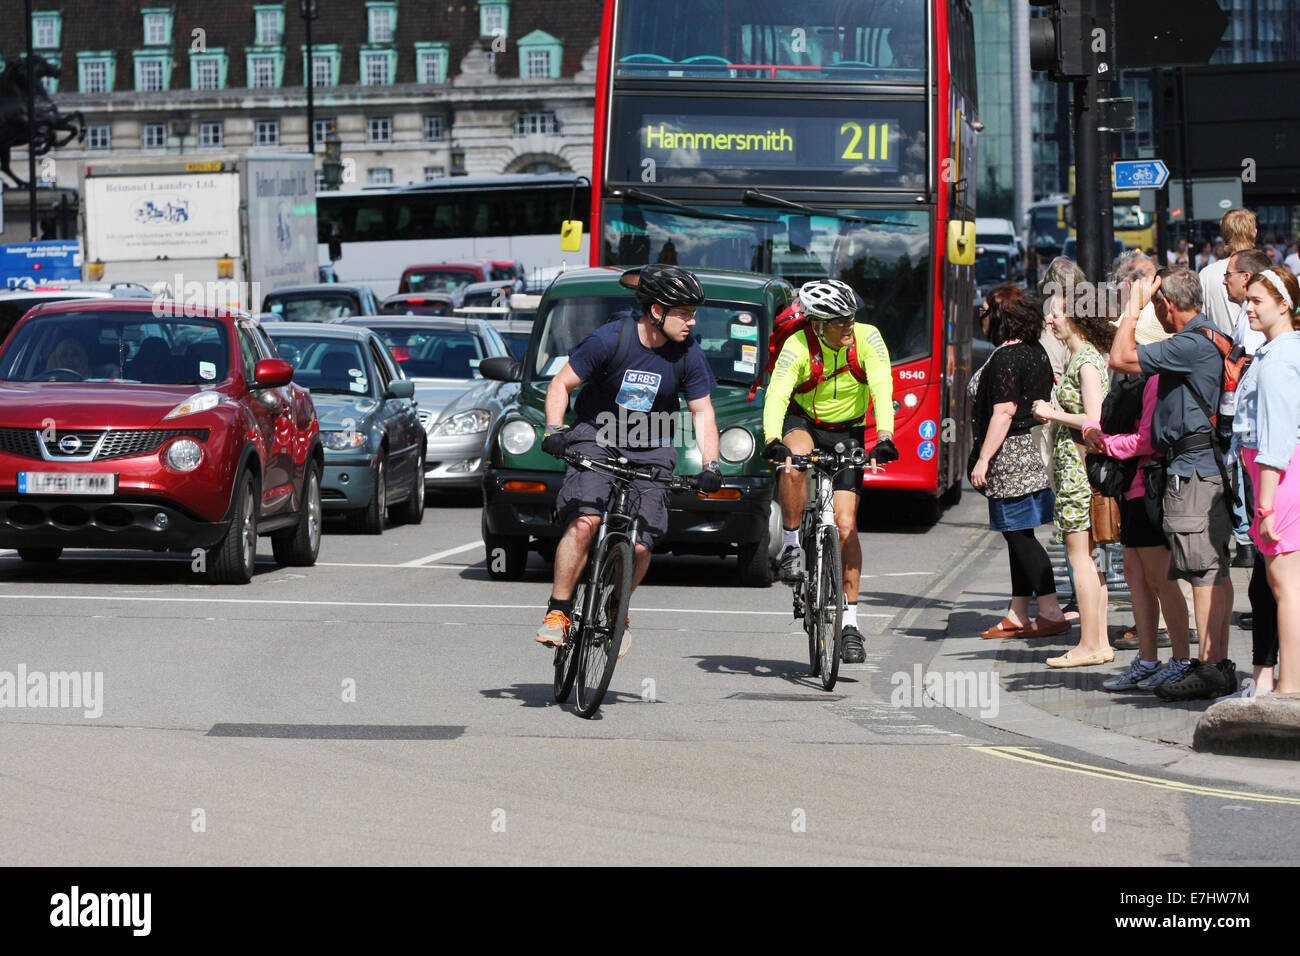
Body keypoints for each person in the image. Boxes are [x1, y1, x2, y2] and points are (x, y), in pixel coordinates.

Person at [534, 264, 723, 655]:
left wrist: (711, 464)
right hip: (596, 437)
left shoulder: (688, 354)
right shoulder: (610, 339)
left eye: (693, 313)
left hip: (651, 446)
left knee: (639, 547)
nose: (692, 321)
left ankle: (616, 608)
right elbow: (561, 384)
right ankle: (558, 611)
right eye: (684, 312)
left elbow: (702, 412)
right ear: (657, 312)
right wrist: (554, 430)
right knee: (586, 521)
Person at [1109, 268, 1237, 700]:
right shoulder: (1210, 337)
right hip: (1205, 465)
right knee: (1214, 567)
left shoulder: (1189, 342)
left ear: (1167, 305)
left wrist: (1131, 307)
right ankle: (1216, 662)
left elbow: (1120, 357)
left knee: (1200, 571)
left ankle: (1205, 665)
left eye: (1156, 305)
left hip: (1192, 469)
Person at [763, 279, 897, 665]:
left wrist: (884, 436)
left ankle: (850, 625)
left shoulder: (868, 339)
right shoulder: (798, 345)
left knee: (845, 525)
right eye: (839, 321)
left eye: (851, 318)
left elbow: (882, 387)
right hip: (804, 421)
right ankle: (790, 544)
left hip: (849, 430)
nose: (848, 327)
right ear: (817, 324)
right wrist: (774, 438)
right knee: (793, 459)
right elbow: (777, 394)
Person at [970, 284, 1069, 640]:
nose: (981, 317)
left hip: (1010, 457)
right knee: (1019, 536)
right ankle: (1018, 612)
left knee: (1020, 537)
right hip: (1029, 453)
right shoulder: (1034, 351)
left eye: (984, 311)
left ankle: (1051, 611)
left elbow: (1005, 412)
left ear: (999, 317)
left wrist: (983, 460)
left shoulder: (1008, 357)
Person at [1084, 372, 1194, 691]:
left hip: (1150, 490)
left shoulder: (1157, 381)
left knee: (1161, 579)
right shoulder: (1137, 379)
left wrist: (1104, 442)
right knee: (1136, 578)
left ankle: (1181, 661)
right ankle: (1147, 662)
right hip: (1131, 489)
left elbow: (1147, 440)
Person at [1032, 294, 1114, 666]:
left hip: (1078, 471)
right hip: (1076, 469)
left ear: (1077, 318)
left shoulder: (1086, 362)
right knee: (1088, 558)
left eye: (1057, 313)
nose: (1050, 320)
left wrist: (1053, 413)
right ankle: (1097, 642)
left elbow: (1094, 420)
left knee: (1080, 557)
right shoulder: (1085, 357)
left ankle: (1091, 644)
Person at [1230, 265, 1300, 697]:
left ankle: (1288, 688)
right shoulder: (1284, 351)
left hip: (1280, 481)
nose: (1248, 307)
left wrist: (1266, 505)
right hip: (1282, 476)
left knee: (1285, 587)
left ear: (1284, 304)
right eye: (1248, 299)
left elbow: (1275, 437)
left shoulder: (1278, 359)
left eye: (1257, 300)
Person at [1223, 248, 1273, 567]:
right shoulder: (1246, 314)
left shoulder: (1256, 323)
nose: (1224, 281)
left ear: (1246, 277)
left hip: (1257, 435)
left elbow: (1250, 371)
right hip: (1249, 435)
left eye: (1228, 274)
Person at [1200, 208, 1258, 337]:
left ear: (1224, 236)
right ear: (1255, 233)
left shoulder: (1207, 274)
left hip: (1221, 353)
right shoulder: (1267, 271)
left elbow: (1199, 322)